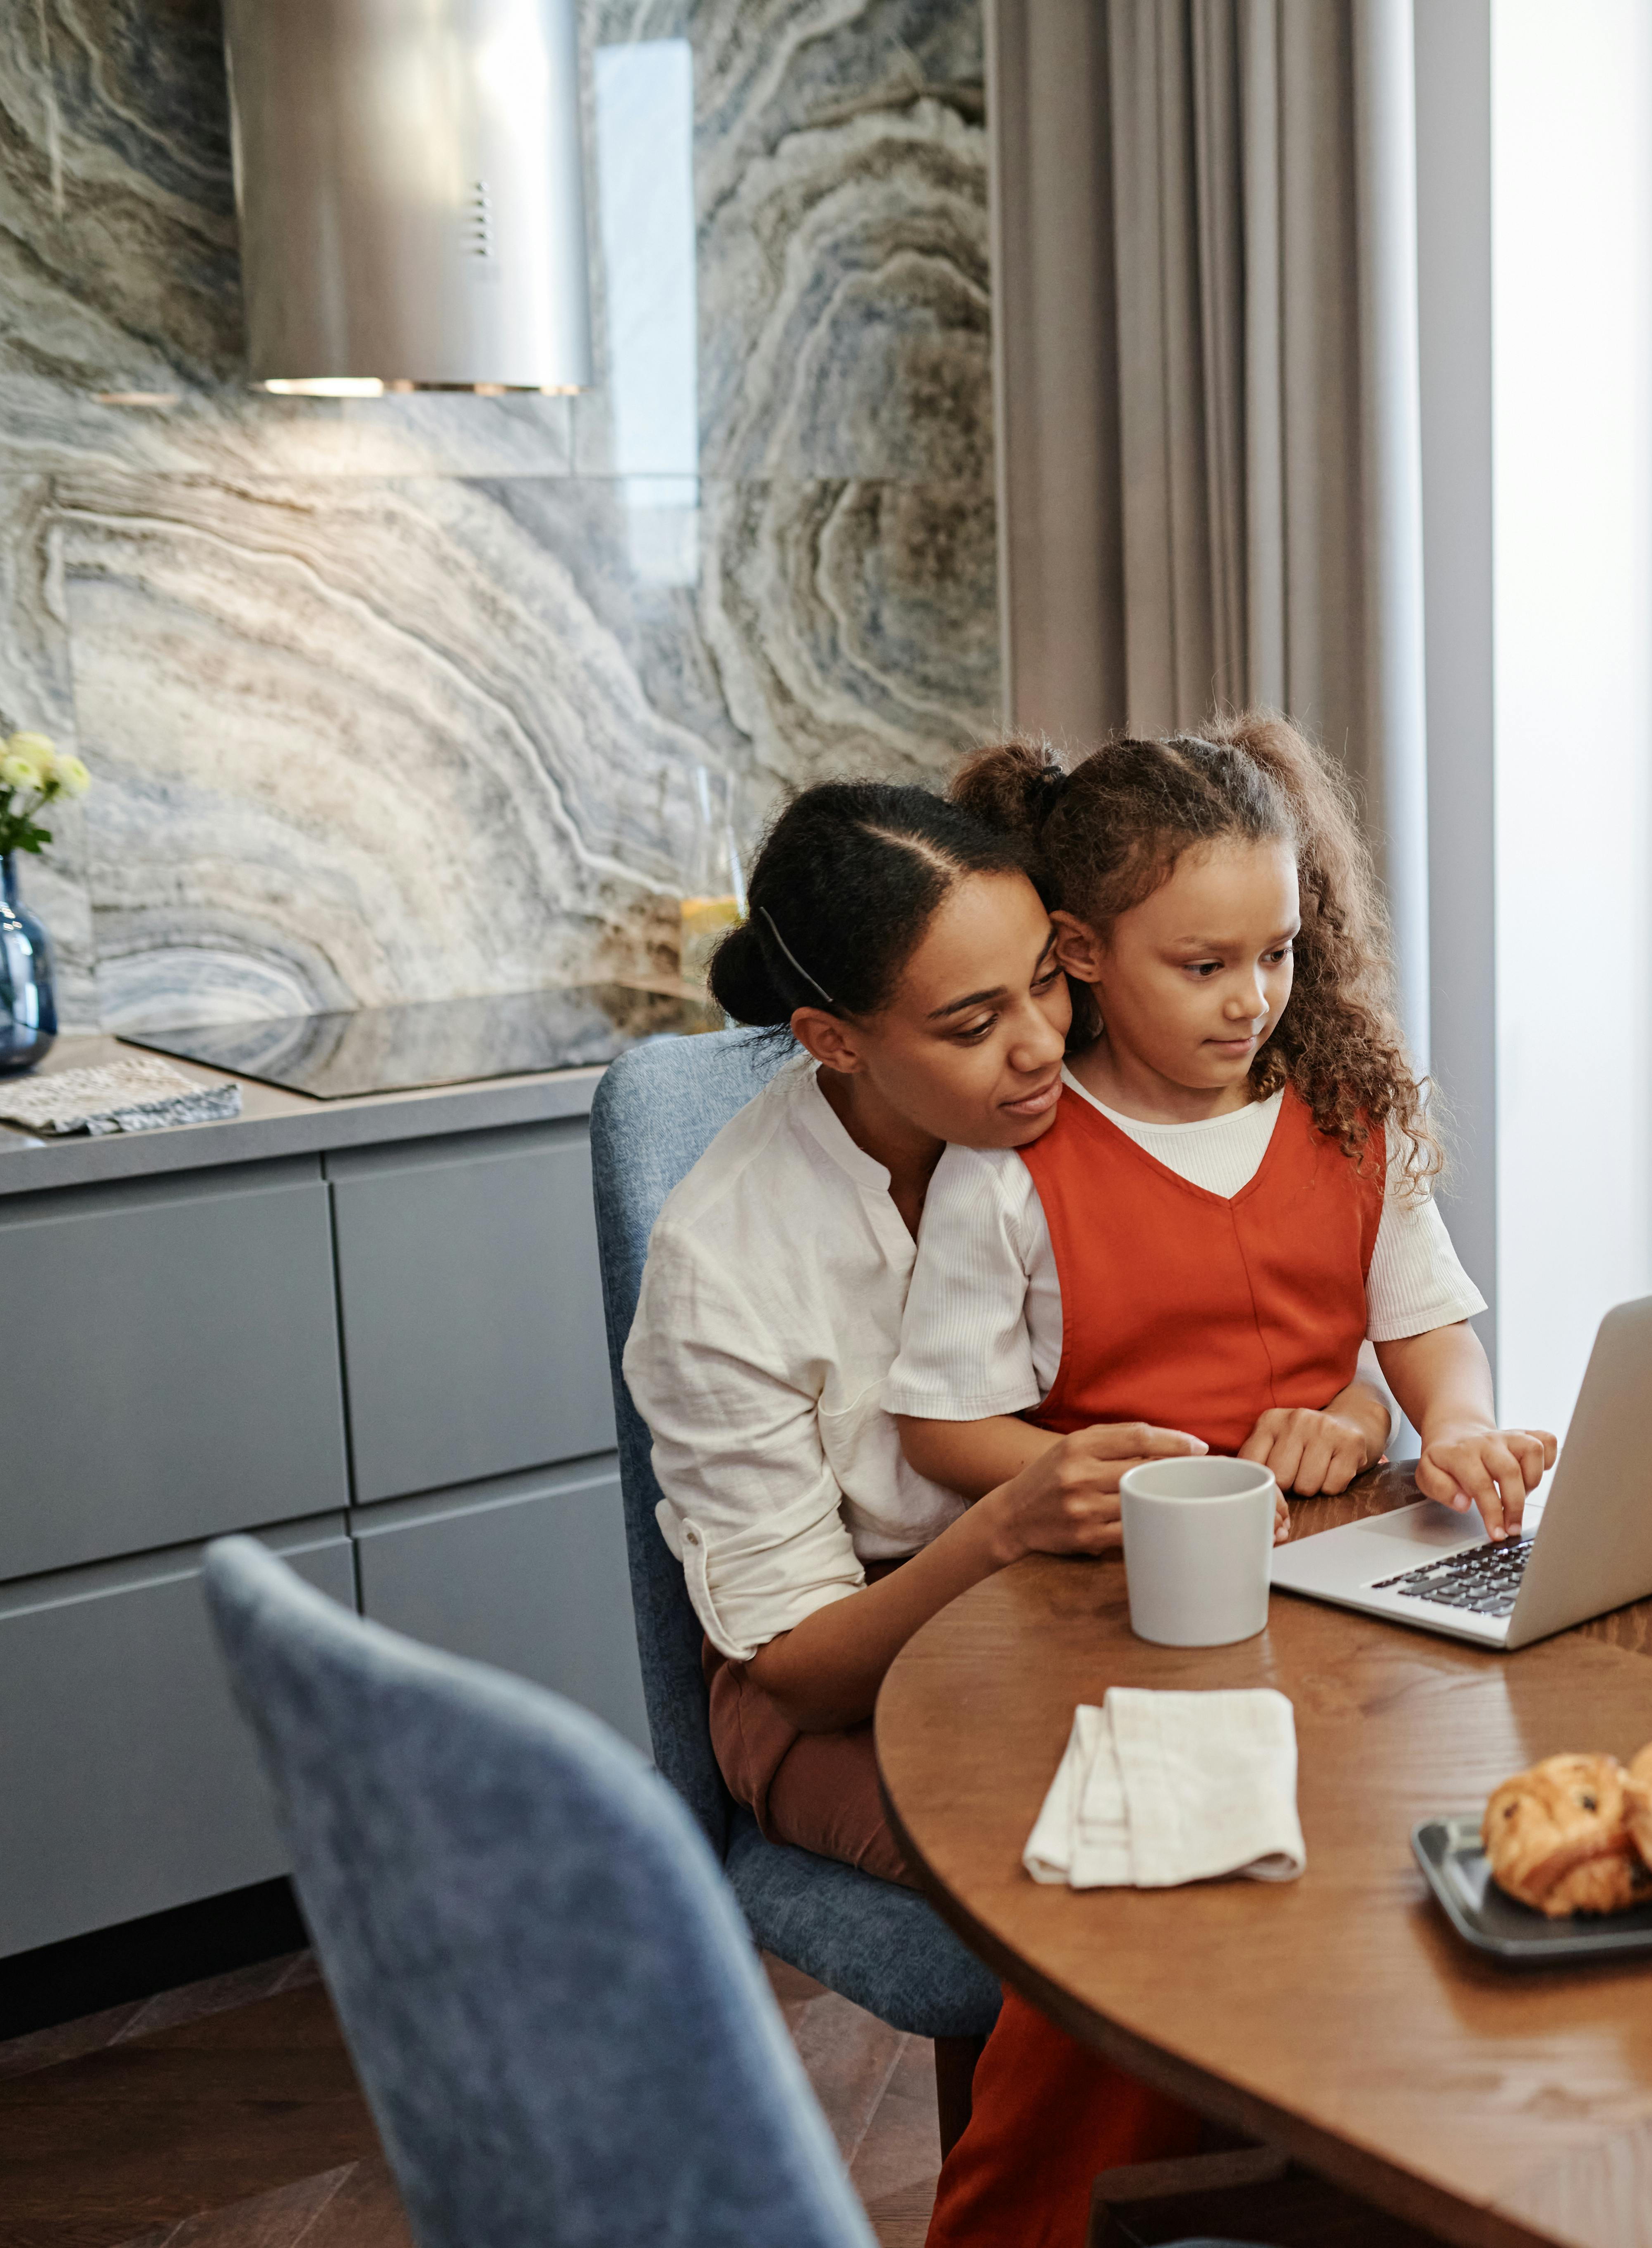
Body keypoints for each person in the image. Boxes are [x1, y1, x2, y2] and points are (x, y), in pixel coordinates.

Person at [901, 715, 1554, 2248]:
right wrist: (1114, 1477)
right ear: (1080, 954)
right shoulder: (1016, 1166)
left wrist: (1451, 1424)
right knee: (1147, 1902)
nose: (1253, 998)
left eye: (1275, 953)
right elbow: (944, 1425)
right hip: (1112, 1618)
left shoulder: (1348, 1115)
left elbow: (1432, 1338)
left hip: (1340, 1605)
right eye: (1203, 967)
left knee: (1460, 1842)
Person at [621, 780, 1201, 2171]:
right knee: (1125, 1857)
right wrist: (1005, 1525)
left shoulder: (1089, 1104)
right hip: (835, 1681)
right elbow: (797, 1672)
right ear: (829, 1039)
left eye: (1044, 986)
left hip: (1068, 1606)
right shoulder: (723, 1269)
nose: (1041, 1047)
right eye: (970, 1023)